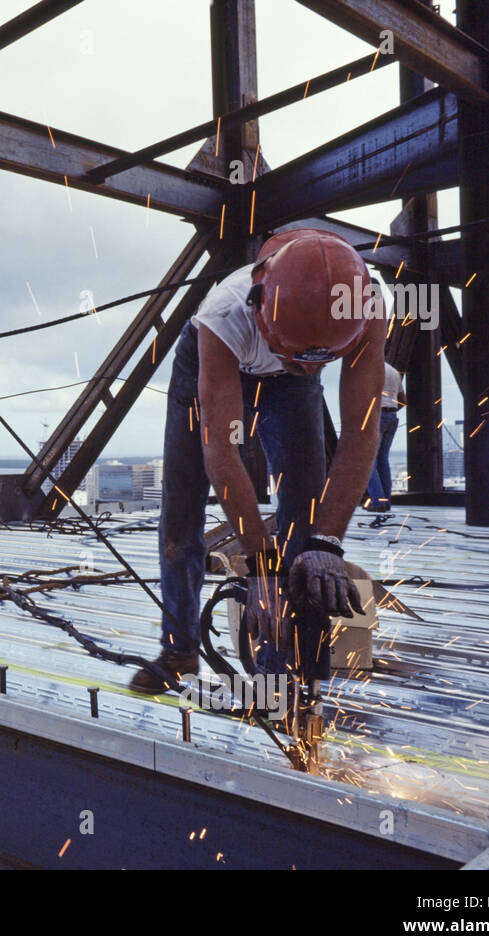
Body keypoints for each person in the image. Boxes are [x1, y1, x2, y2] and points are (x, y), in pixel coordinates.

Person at [131, 228, 386, 692]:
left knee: (305, 516)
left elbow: (361, 432)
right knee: (180, 515)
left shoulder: (365, 305)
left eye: (320, 362)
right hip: (211, 367)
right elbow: (223, 453)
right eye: (302, 360)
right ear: (259, 308)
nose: (313, 370)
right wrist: (260, 565)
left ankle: (285, 667)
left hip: (288, 382)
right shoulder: (224, 314)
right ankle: (180, 650)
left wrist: (326, 543)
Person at [365, 361, 406, 511]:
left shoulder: (369, 368)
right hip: (392, 417)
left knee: (369, 462)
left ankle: (378, 502)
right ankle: (386, 501)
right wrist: (389, 412)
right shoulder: (394, 371)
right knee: (383, 460)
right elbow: (403, 401)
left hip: (376, 416)